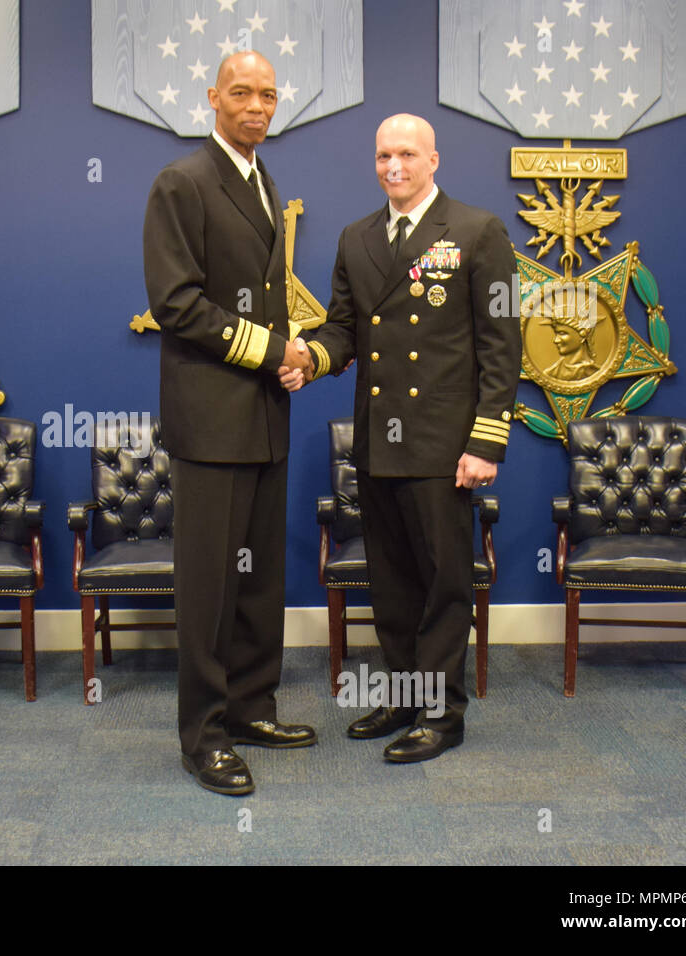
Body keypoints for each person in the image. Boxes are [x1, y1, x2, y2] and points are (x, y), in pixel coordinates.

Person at [285, 114, 520, 762]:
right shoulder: (357, 237)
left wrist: (487, 443)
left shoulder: (478, 231)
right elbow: (342, 332)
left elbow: (503, 348)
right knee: (389, 582)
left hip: (445, 445)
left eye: (408, 154)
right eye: (385, 154)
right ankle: (405, 696)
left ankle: (443, 717)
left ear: (434, 160)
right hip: (379, 442)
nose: (394, 166)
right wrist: (309, 357)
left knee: (443, 582)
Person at [144, 51, 317, 796]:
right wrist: (270, 350)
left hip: (262, 414)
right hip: (212, 417)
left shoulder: (260, 180)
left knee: (258, 578)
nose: (256, 106)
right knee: (210, 585)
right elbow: (175, 305)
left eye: (269, 94)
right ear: (211, 96)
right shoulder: (182, 182)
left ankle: (250, 707)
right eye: (241, 92)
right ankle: (203, 735)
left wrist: (289, 360)